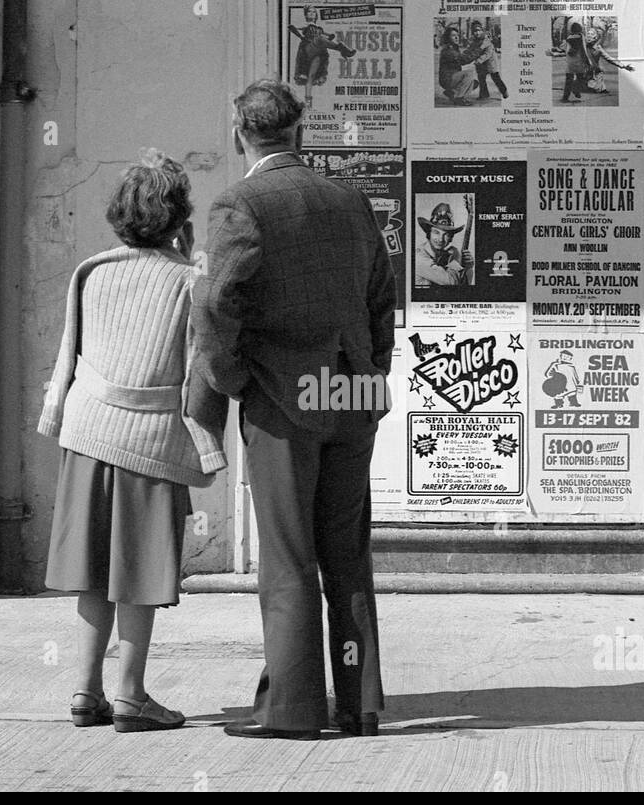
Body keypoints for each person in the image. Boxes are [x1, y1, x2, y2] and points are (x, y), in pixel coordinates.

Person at [190, 80, 396, 741]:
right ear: (299, 131)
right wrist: (371, 367)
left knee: (286, 555)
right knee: (346, 553)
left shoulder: (239, 205)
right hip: (351, 394)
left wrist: (235, 379)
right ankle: (359, 700)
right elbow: (380, 295)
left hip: (284, 399)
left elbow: (217, 308)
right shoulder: (350, 197)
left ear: (238, 132)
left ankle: (293, 709)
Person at [38, 151, 229, 734]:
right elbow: (199, 368)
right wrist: (210, 447)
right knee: (140, 572)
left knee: (92, 567)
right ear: (180, 220)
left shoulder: (90, 271)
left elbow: (70, 354)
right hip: (148, 441)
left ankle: (83, 689)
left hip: (88, 433)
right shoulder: (186, 282)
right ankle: (131, 694)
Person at [290, 5, 356, 109]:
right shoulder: (306, 24)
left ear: (316, 15)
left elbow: (328, 35)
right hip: (308, 49)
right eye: (309, 12)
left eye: (314, 12)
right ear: (306, 14)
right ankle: (343, 49)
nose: (312, 13)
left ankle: (308, 105)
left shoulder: (320, 28)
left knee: (311, 77)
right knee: (320, 39)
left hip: (318, 53)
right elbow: (293, 27)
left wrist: (330, 37)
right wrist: (300, 34)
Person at [414, 200, 474, 287]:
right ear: (429, 232)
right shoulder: (419, 257)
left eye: (446, 234)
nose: (441, 239)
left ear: (450, 238)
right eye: (436, 232)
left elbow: (463, 289)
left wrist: (468, 268)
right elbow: (452, 283)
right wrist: (457, 258)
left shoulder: (443, 256)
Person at [548, 22, 593, 103]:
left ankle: (565, 98)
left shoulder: (568, 38)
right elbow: (584, 50)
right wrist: (588, 61)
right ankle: (575, 89)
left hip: (570, 62)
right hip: (579, 62)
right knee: (581, 79)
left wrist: (555, 52)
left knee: (568, 80)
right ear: (579, 29)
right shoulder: (581, 37)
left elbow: (564, 49)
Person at [437, 26, 481, 106]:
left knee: (474, 83)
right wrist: (478, 51)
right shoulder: (448, 50)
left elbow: (464, 55)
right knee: (469, 73)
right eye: (453, 35)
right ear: (448, 37)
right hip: (447, 79)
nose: (457, 37)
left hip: (452, 77)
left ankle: (452, 92)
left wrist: (472, 48)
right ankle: (459, 98)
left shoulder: (453, 48)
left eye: (457, 35)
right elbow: (463, 60)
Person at [584, 26, 635, 94]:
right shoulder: (582, 45)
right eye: (588, 34)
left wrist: (623, 66)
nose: (589, 36)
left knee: (598, 84)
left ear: (596, 37)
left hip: (595, 70)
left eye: (592, 34)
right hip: (583, 71)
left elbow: (609, 58)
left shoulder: (598, 48)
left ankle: (598, 87)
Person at [470, 22, 508, 101]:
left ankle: (504, 91)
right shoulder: (474, 42)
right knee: (481, 78)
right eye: (475, 31)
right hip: (481, 65)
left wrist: (479, 60)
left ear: (482, 30)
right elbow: (472, 50)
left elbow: (488, 53)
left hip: (490, 63)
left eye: (478, 30)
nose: (477, 33)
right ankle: (484, 94)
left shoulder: (486, 40)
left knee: (496, 78)